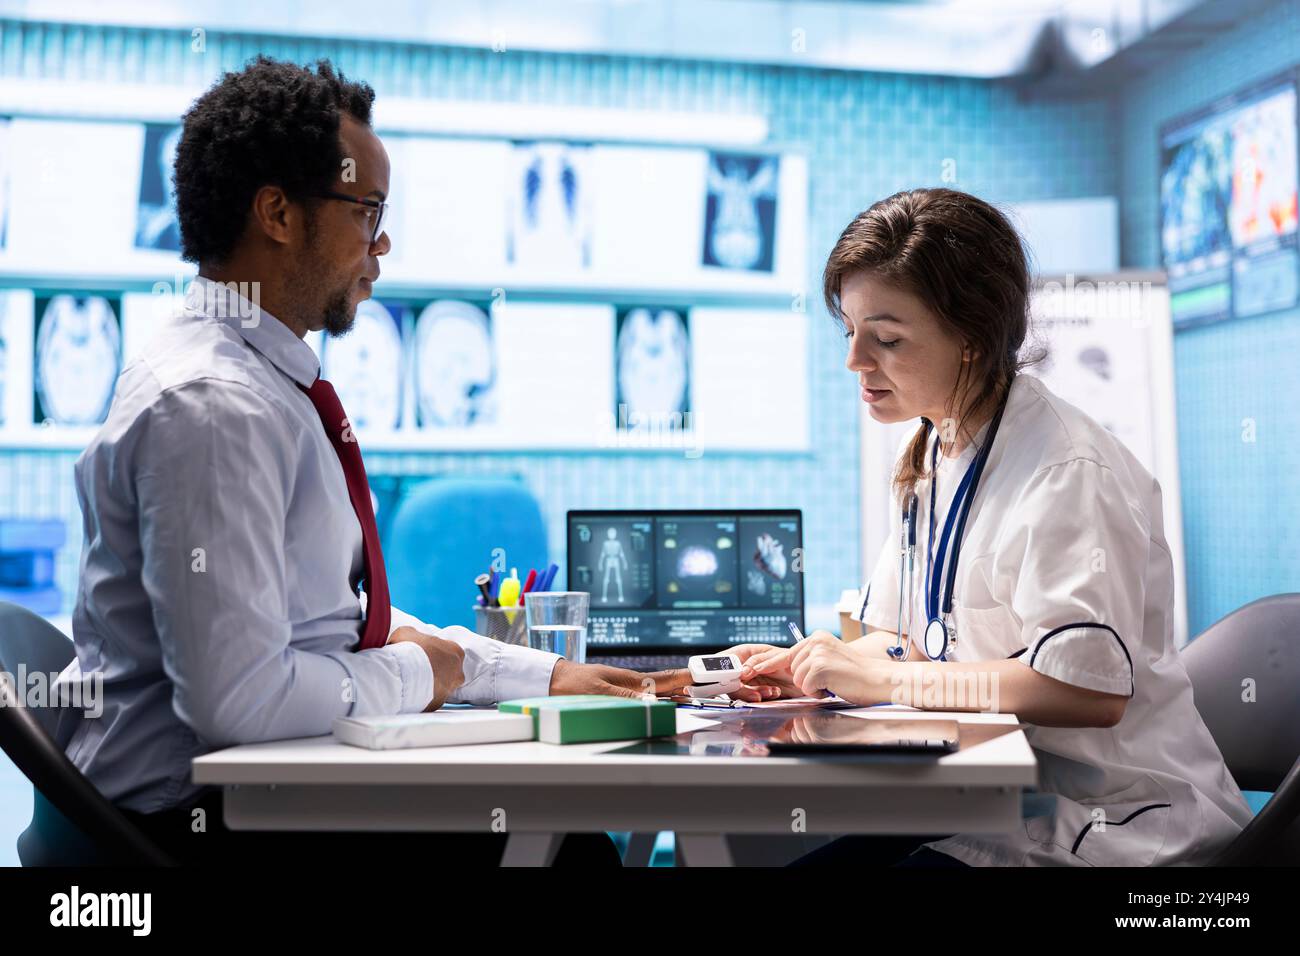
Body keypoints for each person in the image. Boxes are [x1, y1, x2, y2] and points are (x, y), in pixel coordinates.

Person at [53, 57, 693, 866]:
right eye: (367, 211)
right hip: (189, 827)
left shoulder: (267, 384)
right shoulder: (213, 406)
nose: (381, 241)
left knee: (562, 838)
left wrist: (528, 675)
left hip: (250, 792)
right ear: (278, 214)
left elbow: (337, 629)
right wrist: (428, 677)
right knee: (567, 852)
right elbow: (240, 704)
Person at [732, 187, 1254, 866]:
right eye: (851, 332)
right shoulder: (929, 451)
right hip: (988, 807)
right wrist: (813, 665)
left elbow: (1086, 692)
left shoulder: (1068, 469)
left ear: (972, 340)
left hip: (1109, 832)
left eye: (886, 339)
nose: (855, 362)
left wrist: (882, 683)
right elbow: (906, 640)